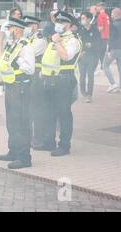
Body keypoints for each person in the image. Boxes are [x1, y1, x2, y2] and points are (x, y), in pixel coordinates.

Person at [41, 11, 82, 157]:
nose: (59, 24)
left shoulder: (73, 40)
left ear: (70, 25)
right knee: (49, 113)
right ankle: (49, 142)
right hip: (51, 79)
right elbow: (49, 59)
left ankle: (64, 145)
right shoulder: (56, 38)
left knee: (63, 114)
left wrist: (57, 42)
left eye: (63, 22)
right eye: (57, 21)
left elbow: (65, 56)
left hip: (64, 80)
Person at [0, 17, 35, 169]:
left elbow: (30, 69)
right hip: (11, 87)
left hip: (21, 88)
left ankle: (24, 157)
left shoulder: (25, 47)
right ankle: (13, 151)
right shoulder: (12, 46)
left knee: (21, 123)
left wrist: (19, 60)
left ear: (18, 30)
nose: (8, 31)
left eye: (10, 28)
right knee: (11, 122)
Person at [23, 16, 48, 149]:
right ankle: (29, 137)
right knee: (28, 109)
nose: (26, 27)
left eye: (28, 25)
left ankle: (38, 139)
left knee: (36, 109)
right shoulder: (28, 40)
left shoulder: (40, 40)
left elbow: (27, 54)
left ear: (35, 26)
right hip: (28, 76)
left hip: (37, 77)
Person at [104, 8, 121, 94]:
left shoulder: (112, 25)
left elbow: (111, 38)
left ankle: (113, 84)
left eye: (112, 14)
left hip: (114, 49)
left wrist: (109, 50)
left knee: (105, 65)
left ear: (116, 14)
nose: (111, 15)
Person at [78, 12, 101, 102]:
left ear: (89, 19)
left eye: (83, 18)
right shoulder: (80, 29)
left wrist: (92, 45)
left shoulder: (95, 30)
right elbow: (78, 42)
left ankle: (89, 95)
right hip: (82, 56)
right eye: (81, 18)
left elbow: (99, 43)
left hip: (92, 56)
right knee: (82, 75)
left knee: (90, 75)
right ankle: (83, 91)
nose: (82, 20)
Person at [96, 2, 110, 72]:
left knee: (100, 53)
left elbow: (100, 28)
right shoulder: (106, 15)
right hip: (106, 36)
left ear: (101, 7)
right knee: (103, 53)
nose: (96, 8)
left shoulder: (101, 16)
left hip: (101, 37)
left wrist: (95, 29)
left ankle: (103, 67)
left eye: (97, 7)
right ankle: (103, 67)